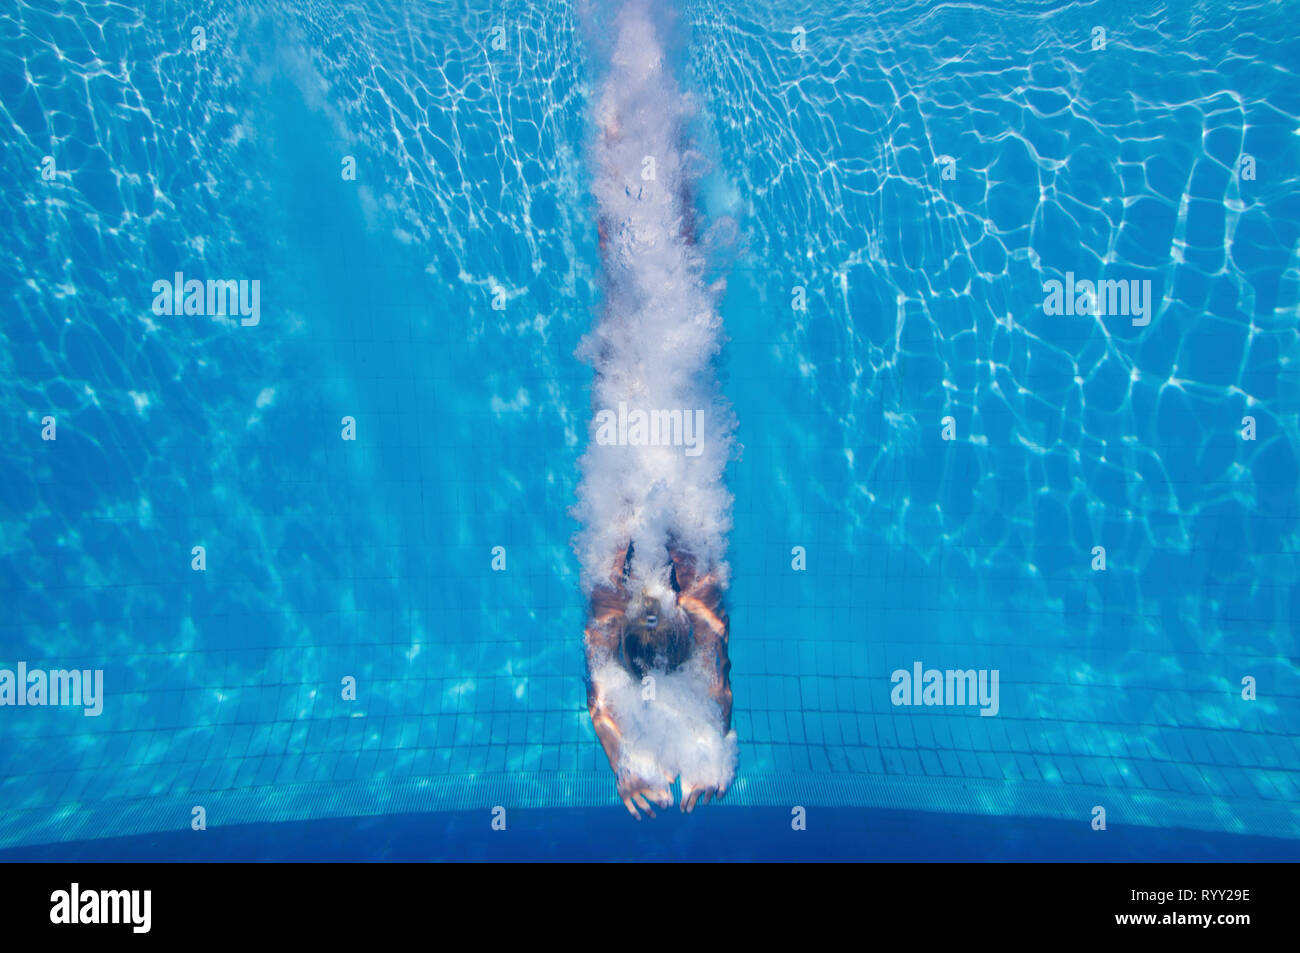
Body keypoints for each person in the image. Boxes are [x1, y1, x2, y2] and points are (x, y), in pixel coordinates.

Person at [584, 540, 733, 818]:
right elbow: (717, 680)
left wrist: (623, 764)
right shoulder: (699, 591)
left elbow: (598, 690)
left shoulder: (610, 594)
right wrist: (712, 750)